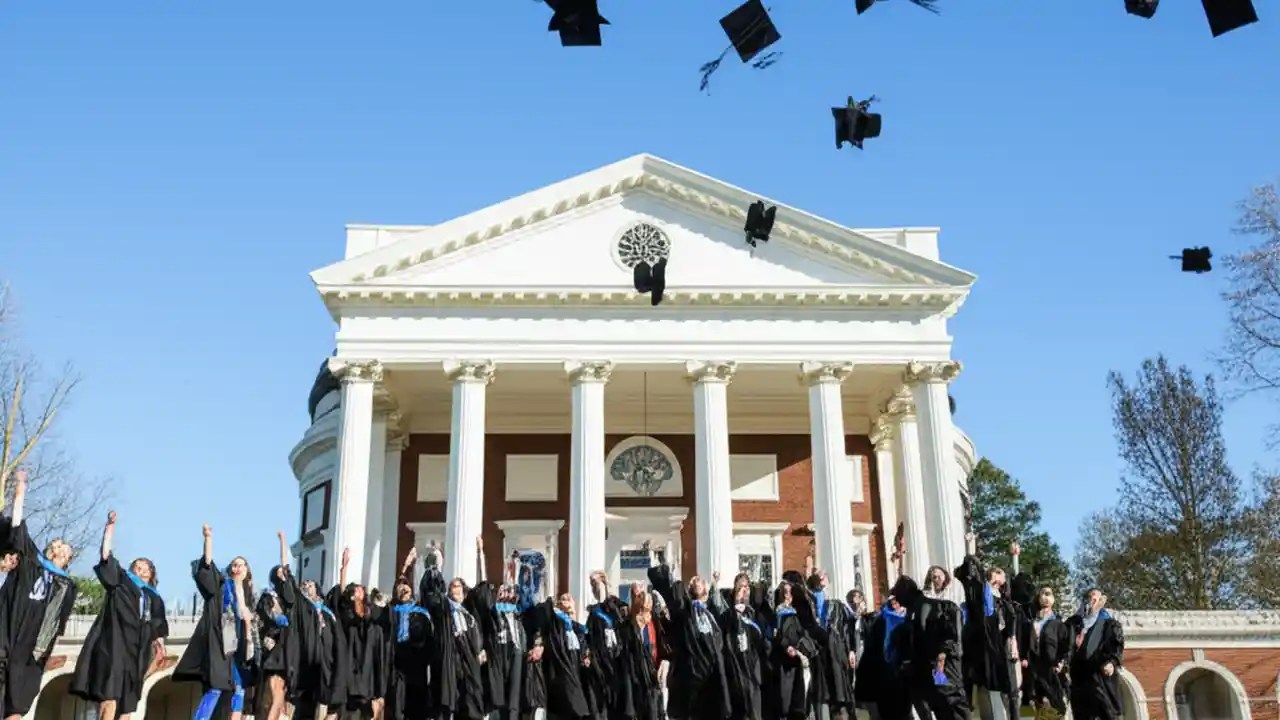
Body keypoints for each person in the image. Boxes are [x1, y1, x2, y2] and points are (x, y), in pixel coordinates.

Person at [70, 510, 168, 720]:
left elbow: (159, 624)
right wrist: (109, 529)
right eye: (137, 566)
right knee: (110, 695)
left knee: (129, 702)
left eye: (146, 568)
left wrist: (160, 644)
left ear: (151, 574)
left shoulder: (154, 597)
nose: (141, 570)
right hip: (115, 644)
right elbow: (106, 556)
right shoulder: (121, 581)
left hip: (138, 649)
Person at [0, 469, 79, 720]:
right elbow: (17, 526)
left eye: (65, 551)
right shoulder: (31, 560)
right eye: (57, 546)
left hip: (33, 645)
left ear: (66, 561)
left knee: (17, 705)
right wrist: (20, 493)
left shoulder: (65, 585)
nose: (60, 549)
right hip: (8, 630)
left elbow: (58, 620)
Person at [174, 523, 256, 720]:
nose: (238, 568)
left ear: (247, 570)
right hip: (221, 641)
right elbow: (207, 565)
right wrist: (208, 539)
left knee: (239, 686)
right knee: (216, 687)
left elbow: (251, 619)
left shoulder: (252, 594)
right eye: (234, 564)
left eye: (241, 565)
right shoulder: (222, 586)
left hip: (241, 646)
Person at [647, 562, 730, 720]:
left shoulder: (710, 614)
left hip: (711, 673)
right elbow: (674, 603)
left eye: (700, 582)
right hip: (692, 673)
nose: (697, 583)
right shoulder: (686, 612)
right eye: (694, 582)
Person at [421, 542, 487, 720]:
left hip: (468, 661)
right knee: (447, 702)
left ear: (464, 593)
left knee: (470, 701)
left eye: (458, 586)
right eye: (451, 586)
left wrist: (480, 650)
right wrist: (435, 568)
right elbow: (432, 594)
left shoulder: (469, 616)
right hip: (449, 657)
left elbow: (483, 594)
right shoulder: (444, 609)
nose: (454, 588)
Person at [956, 537, 1018, 720]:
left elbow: (1015, 577)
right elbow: (972, 570)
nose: (998, 586)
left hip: (1001, 648)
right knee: (981, 690)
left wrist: (1014, 557)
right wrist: (970, 546)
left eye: (1001, 583)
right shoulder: (976, 600)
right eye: (995, 582)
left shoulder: (1006, 604)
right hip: (980, 647)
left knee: (1008, 691)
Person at [335, 547, 393, 719]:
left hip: (369, 666)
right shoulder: (349, 612)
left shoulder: (371, 610)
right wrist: (344, 569)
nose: (361, 591)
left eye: (361, 589)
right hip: (353, 663)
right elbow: (343, 597)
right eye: (357, 590)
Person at [903, 567, 967, 720]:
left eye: (938, 576)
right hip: (929, 657)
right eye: (932, 577)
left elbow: (952, 633)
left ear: (945, 577)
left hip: (946, 657)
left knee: (948, 693)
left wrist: (943, 655)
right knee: (935, 695)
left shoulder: (951, 598)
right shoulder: (926, 600)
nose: (935, 579)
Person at [387, 546, 434, 720]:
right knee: (397, 702)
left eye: (406, 586)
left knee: (417, 701)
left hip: (416, 658)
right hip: (396, 657)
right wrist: (405, 566)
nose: (403, 589)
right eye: (400, 588)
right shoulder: (393, 610)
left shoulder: (420, 611)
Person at [256, 531, 299, 720]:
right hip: (274, 648)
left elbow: (286, 567)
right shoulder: (269, 597)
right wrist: (282, 542)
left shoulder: (291, 599)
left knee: (281, 696)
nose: (283, 576)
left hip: (288, 648)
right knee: (276, 694)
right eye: (279, 574)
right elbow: (263, 617)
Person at [710, 573, 766, 720]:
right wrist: (736, 606)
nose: (744, 590)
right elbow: (727, 629)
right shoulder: (727, 615)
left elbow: (762, 641)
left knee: (754, 711)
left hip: (753, 669)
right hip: (735, 669)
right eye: (740, 587)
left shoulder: (755, 614)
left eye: (746, 587)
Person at [804, 568, 857, 720]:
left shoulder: (836, 603)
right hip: (818, 651)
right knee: (821, 691)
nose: (822, 578)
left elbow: (849, 626)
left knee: (838, 691)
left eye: (824, 575)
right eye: (819, 576)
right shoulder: (809, 601)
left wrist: (851, 650)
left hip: (835, 651)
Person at [293, 575, 348, 720]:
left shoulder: (326, 610)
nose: (307, 586)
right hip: (307, 654)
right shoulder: (301, 608)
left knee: (325, 693)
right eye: (304, 585)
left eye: (310, 584)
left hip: (326, 654)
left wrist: (343, 570)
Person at [534, 589, 594, 719]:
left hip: (576, 672)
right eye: (564, 599)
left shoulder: (578, 629)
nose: (569, 602)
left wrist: (586, 656)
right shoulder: (557, 623)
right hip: (561, 674)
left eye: (570, 599)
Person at [1065, 589, 1124, 720]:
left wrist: (1112, 662)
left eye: (1094, 598)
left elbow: (1115, 646)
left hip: (1099, 677)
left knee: (1106, 712)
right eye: (1088, 598)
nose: (1090, 602)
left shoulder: (1108, 624)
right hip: (1079, 679)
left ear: (1102, 601)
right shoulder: (1075, 624)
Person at [764, 580, 815, 720]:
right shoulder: (778, 613)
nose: (787, 595)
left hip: (796, 659)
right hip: (783, 660)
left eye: (790, 593)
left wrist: (801, 648)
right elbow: (775, 635)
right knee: (784, 698)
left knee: (797, 697)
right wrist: (787, 646)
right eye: (785, 592)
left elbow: (801, 633)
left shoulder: (796, 613)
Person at [1019, 586, 1069, 720]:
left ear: (1053, 599)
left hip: (1051, 670)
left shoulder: (1058, 624)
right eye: (1043, 594)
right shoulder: (1030, 623)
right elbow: (1023, 644)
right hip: (1032, 670)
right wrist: (1023, 657)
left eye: (1049, 594)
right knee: (1032, 704)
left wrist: (1061, 663)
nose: (1046, 597)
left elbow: (1065, 647)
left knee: (1054, 705)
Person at [584, 570, 627, 720]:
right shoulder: (594, 612)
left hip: (616, 657)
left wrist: (604, 594)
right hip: (600, 658)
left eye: (595, 584)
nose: (594, 588)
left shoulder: (615, 606)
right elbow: (588, 635)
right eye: (592, 585)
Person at [620, 584, 664, 720]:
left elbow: (661, 648)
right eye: (636, 595)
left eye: (641, 594)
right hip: (634, 678)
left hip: (652, 676)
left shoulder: (654, 623)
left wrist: (663, 664)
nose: (639, 597)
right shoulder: (627, 625)